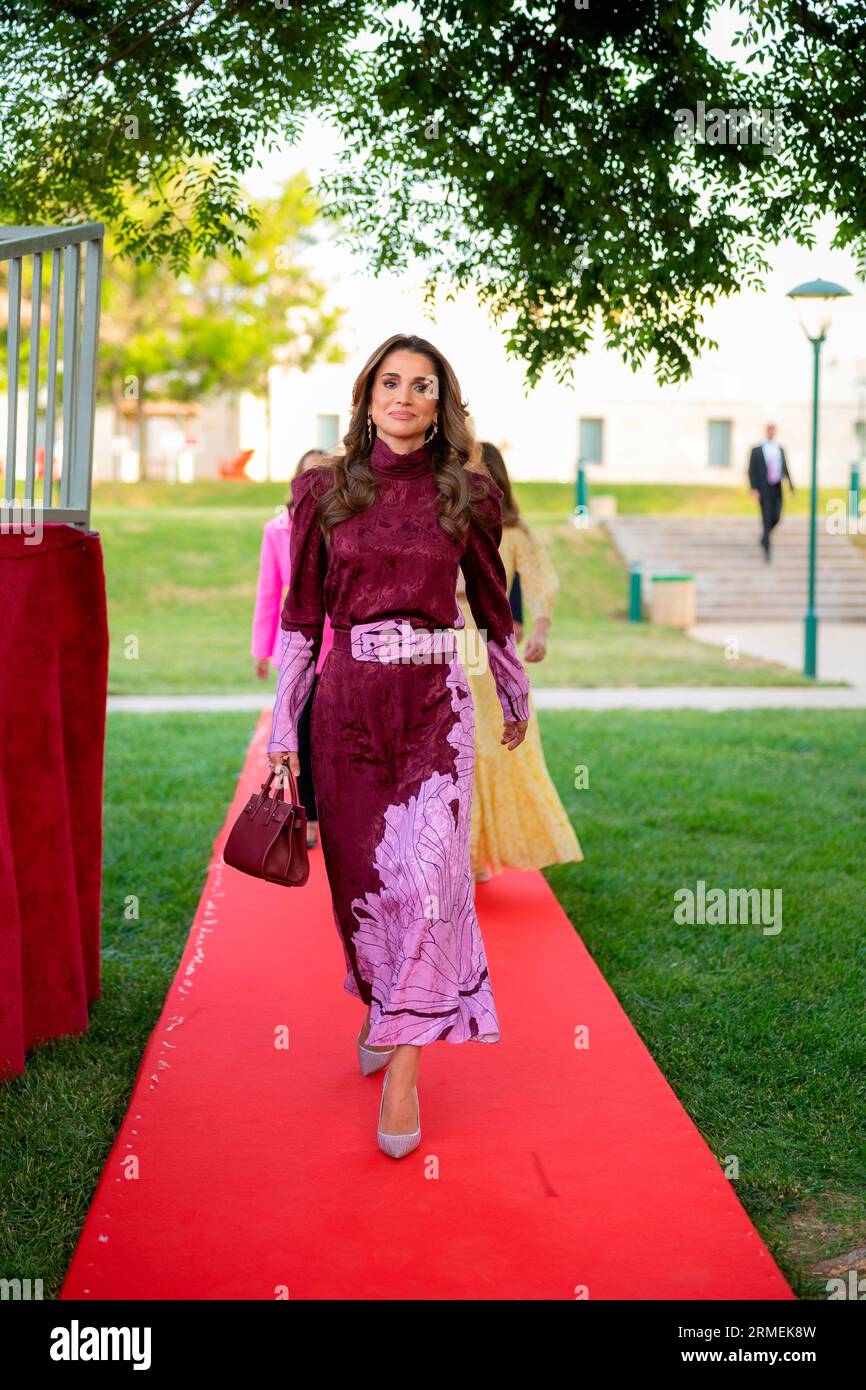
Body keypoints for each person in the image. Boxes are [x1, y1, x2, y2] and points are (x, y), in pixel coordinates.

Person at [265, 333, 531, 1159]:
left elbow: (492, 603)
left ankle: (407, 1081)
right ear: (368, 394)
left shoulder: (467, 494)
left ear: (439, 402)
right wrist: (285, 731)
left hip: (434, 715)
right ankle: (385, 1006)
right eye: (392, 381)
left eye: (422, 385)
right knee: (360, 896)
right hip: (346, 714)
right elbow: (302, 620)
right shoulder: (325, 490)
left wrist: (514, 681)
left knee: (426, 891)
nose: (405, 396)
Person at [455, 443, 583, 882]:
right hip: (440, 646)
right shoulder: (440, 522)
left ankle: (473, 854)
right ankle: (451, 857)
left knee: (487, 748)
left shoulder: (512, 530)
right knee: (449, 750)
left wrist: (541, 630)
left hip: (489, 651)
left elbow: (542, 577)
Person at [251, 448, 333, 848]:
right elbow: (269, 593)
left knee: (331, 732)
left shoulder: (346, 525)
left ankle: (339, 812)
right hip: (299, 644)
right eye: (310, 477)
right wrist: (262, 649)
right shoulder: (278, 529)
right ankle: (309, 816)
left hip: (342, 645)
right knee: (299, 731)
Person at [748, 424, 795, 561]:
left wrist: (791, 488)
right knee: (766, 518)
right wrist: (754, 488)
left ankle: (764, 537)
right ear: (766, 432)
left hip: (777, 487)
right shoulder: (757, 450)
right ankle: (767, 550)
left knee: (777, 516)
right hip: (763, 489)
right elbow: (752, 470)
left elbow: (786, 469)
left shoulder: (779, 449)